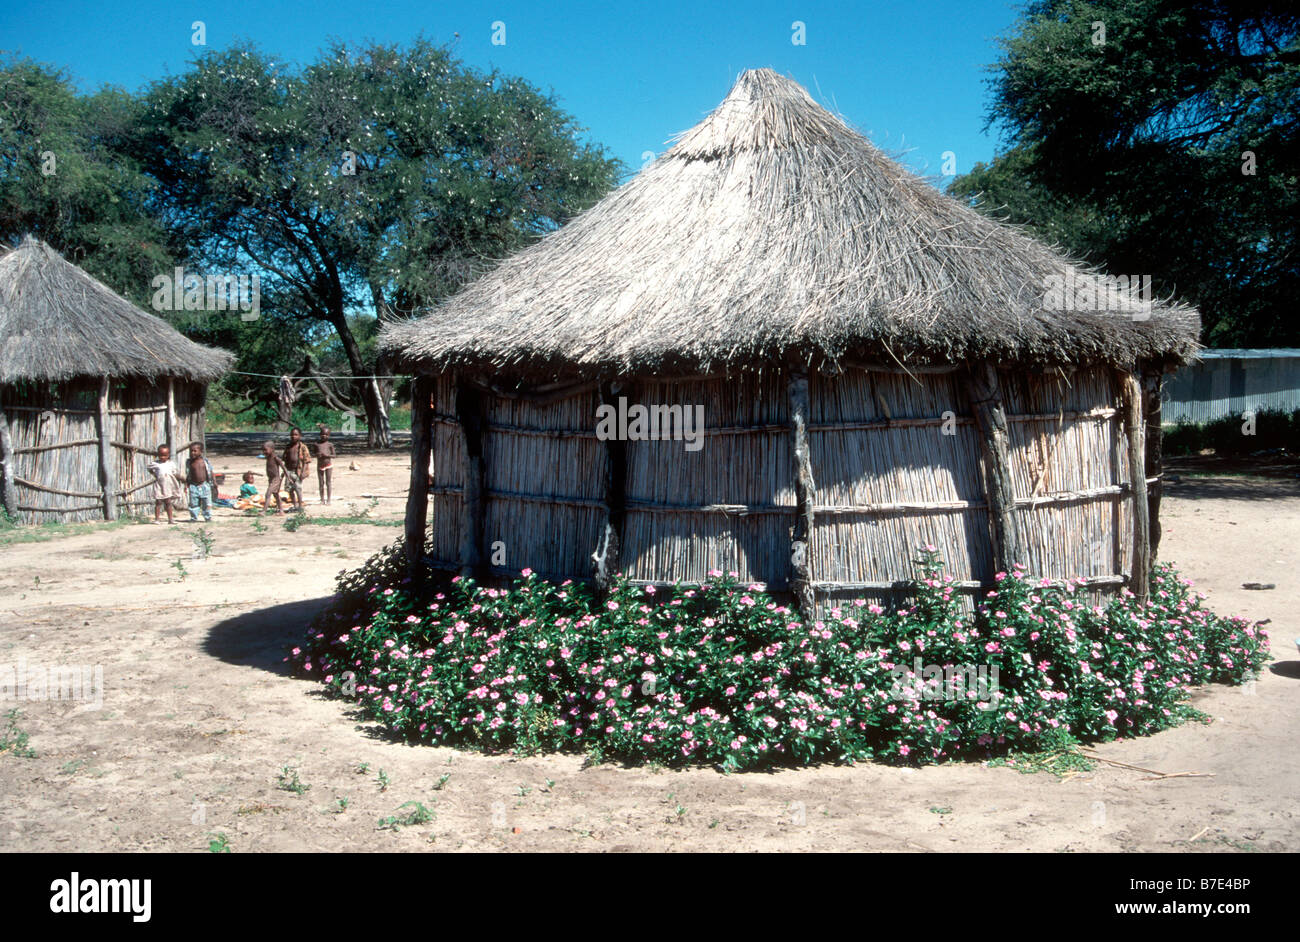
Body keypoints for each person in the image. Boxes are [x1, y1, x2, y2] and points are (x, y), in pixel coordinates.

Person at [145, 444, 181, 524]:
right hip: (159, 485)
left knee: (168, 502)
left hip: (168, 485)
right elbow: (149, 468)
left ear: (168, 455)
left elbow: (174, 473)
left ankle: (170, 519)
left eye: (165, 455)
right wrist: (154, 474)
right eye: (161, 455)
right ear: (158, 455)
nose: (163, 457)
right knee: (158, 502)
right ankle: (157, 519)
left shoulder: (171, 464)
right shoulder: (155, 463)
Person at [185, 442, 214, 522]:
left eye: (195, 451)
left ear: (201, 452)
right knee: (193, 503)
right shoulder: (189, 462)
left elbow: (211, 472)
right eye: (191, 451)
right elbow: (188, 474)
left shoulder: (205, 462)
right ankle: (194, 517)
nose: (192, 453)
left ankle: (207, 517)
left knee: (206, 503)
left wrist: (214, 483)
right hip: (194, 486)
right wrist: (186, 484)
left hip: (205, 485)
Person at [283, 427, 311, 512]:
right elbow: (285, 459)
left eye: (296, 435)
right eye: (292, 435)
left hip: (298, 471)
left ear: (300, 436)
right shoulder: (288, 447)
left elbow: (307, 460)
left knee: (298, 489)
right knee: (289, 489)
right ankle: (294, 505)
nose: (293, 436)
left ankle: (300, 506)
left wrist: (304, 472)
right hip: (289, 471)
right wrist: (284, 472)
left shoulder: (303, 447)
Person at [261, 441, 288, 515]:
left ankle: (264, 511)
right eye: (262, 450)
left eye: (265, 450)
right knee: (276, 494)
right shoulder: (268, 458)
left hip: (276, 479)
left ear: (272, 449)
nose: (263, 452)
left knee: (268, 493)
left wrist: (288, 477)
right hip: (271, 479)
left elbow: (284, 467)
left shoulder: (275, 458)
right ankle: (281, 511)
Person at [315, 426, 336, 504]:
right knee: (321, 482)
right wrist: (318, 455)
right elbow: (314, 453)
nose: (324, 436)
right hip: (319, 465)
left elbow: (334, 456)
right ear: (320, 434)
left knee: (328, 482)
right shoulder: (317, 444)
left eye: (326, 434)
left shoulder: (330, 444)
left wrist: (327, 455)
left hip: (328, 465)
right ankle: (322, 499)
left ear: (329, 435)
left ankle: (329, 499)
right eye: (323, 434)